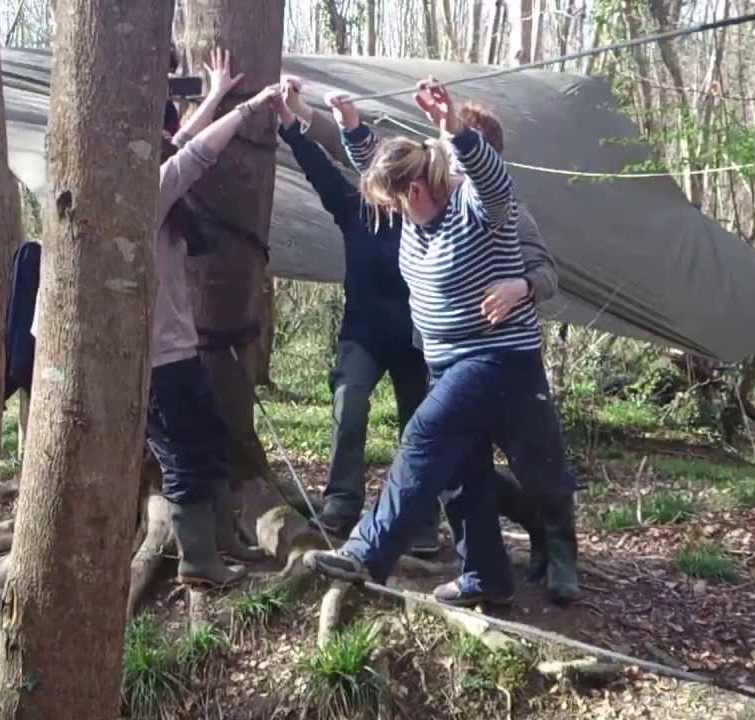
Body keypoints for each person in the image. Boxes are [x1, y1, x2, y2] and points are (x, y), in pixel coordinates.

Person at [304, 80, 574, 608]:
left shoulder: (480, 211)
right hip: (446, 361)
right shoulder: (412, 213)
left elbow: (495, 186)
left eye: (402, 202)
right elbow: (380, 166)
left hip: (497, 358)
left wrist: (455, 130)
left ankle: (365, 554)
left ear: (422, 190)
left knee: (428, 432)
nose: (396, 213)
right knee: (459, 471)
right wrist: (349, 124)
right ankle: (486, 578)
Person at [268, 79, 439, 558]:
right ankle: (342, 503)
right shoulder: (353, 210)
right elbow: (319, 167)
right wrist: (289, 121)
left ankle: (420, 519)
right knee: (350, 404)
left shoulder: (426, 214)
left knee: (420, 426)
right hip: (362, 335)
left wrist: (351, 124)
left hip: (417, 339)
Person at [148, 48, 279, 587]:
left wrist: (218, 94)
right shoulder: (143, 192)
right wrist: (249, 110)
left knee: (209, 438)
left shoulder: (152, 177)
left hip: (178, 347)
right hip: (154, 357)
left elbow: (180, 146)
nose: (171, 132)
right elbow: (193, 155)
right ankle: (197, 560)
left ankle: (223, 539)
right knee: (183, 456)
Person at [448, 102, 579, 603]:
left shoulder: (510, 213)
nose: (453, 160)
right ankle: (506, 546)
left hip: (511, 365)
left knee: (540, 464)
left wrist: (519, 287)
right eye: (448, 147)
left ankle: (560, 551)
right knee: (460, 466)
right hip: (455, 365)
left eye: (464, 149)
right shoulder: (432, 209)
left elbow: (549, 275)